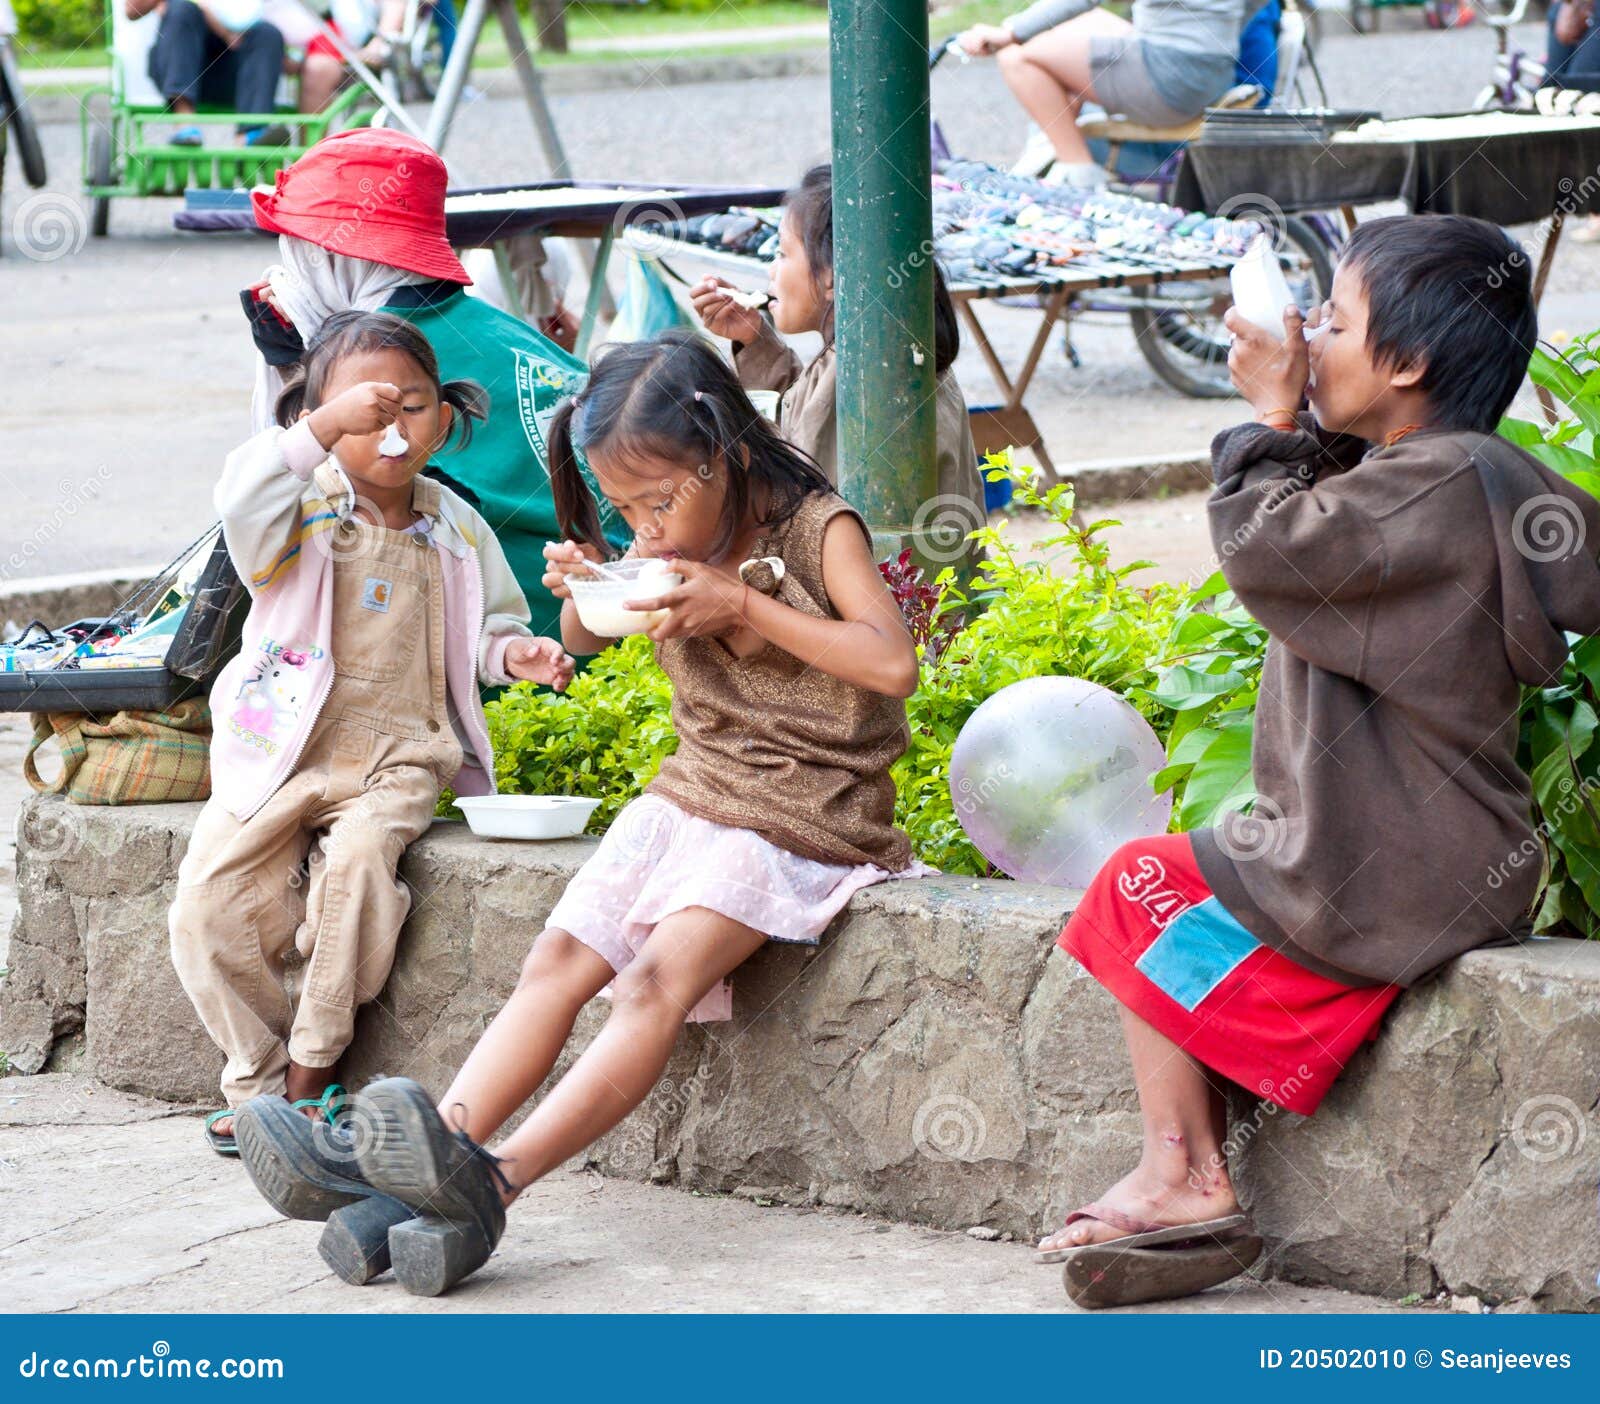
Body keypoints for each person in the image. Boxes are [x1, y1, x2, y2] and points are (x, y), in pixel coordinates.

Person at [232, 330, 929, 1295]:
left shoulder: (818, 529)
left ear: (722, 453)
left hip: (809, 809)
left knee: (650, 984)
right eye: (625, 505)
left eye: (658, 499)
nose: (643, 524)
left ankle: (494, 1182)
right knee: (554, 962)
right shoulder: (664, 543)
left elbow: (893, 664)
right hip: (696, 790)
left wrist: (743, 604)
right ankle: (427, 1170)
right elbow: (579, 641)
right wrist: (581, 587)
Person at [1036, 214, 1600, 1308]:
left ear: (1404, 363)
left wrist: (1266, 417)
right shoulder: (1462, 474)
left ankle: (1183, 1172)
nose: (1308, 332)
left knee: (1137, 893)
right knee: (1223, 953)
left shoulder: (1429, 486)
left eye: (1333, 319)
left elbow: (1272, 549)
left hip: (1385, 856)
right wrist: (1298, 415)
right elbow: (1351, 514)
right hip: (1431, 859)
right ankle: (1198, 1171)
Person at [170, 311, 576, 1158]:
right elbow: (239, 494)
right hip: (285, 744)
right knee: (208, 903)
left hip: (402, 751)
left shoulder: (458, 527)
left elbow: (487, 631)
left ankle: (310, 1079)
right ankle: (255, 1078)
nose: (390, 432)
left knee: (358, 875)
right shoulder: (294, 512)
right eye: (364, 412)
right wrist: (317, 433)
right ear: (317, 420)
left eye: (413, 408)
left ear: (445, 415)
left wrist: (518, 653)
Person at [242, 128, 626, 635]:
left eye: (297, 247)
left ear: (334, 255)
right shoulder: (500, 328)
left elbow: (277, 514)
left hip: (518, 634)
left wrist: (297, 373)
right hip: (607, 613)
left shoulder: (372, 366)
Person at [690, 165, 987, 560]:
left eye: (782, 253)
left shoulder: (864, 370)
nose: (771, 271)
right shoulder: (884, 345)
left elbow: (794, 484)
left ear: (832, 276)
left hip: (894, 601)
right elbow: (807, 424)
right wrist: (754, 339)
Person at [960, 0, 1252, 188]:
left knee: (1016, 55)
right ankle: (1054, 144)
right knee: (1083, 22)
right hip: (1214, 75)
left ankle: (1079, 173)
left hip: (1164, 81)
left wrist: (1009, 34)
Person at [127, 0, 288, 147]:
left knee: (268, 33)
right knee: (183, 9)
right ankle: (184, 123)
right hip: (178, 66)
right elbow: (131, 10)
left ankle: (250, 135)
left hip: (232, 71)